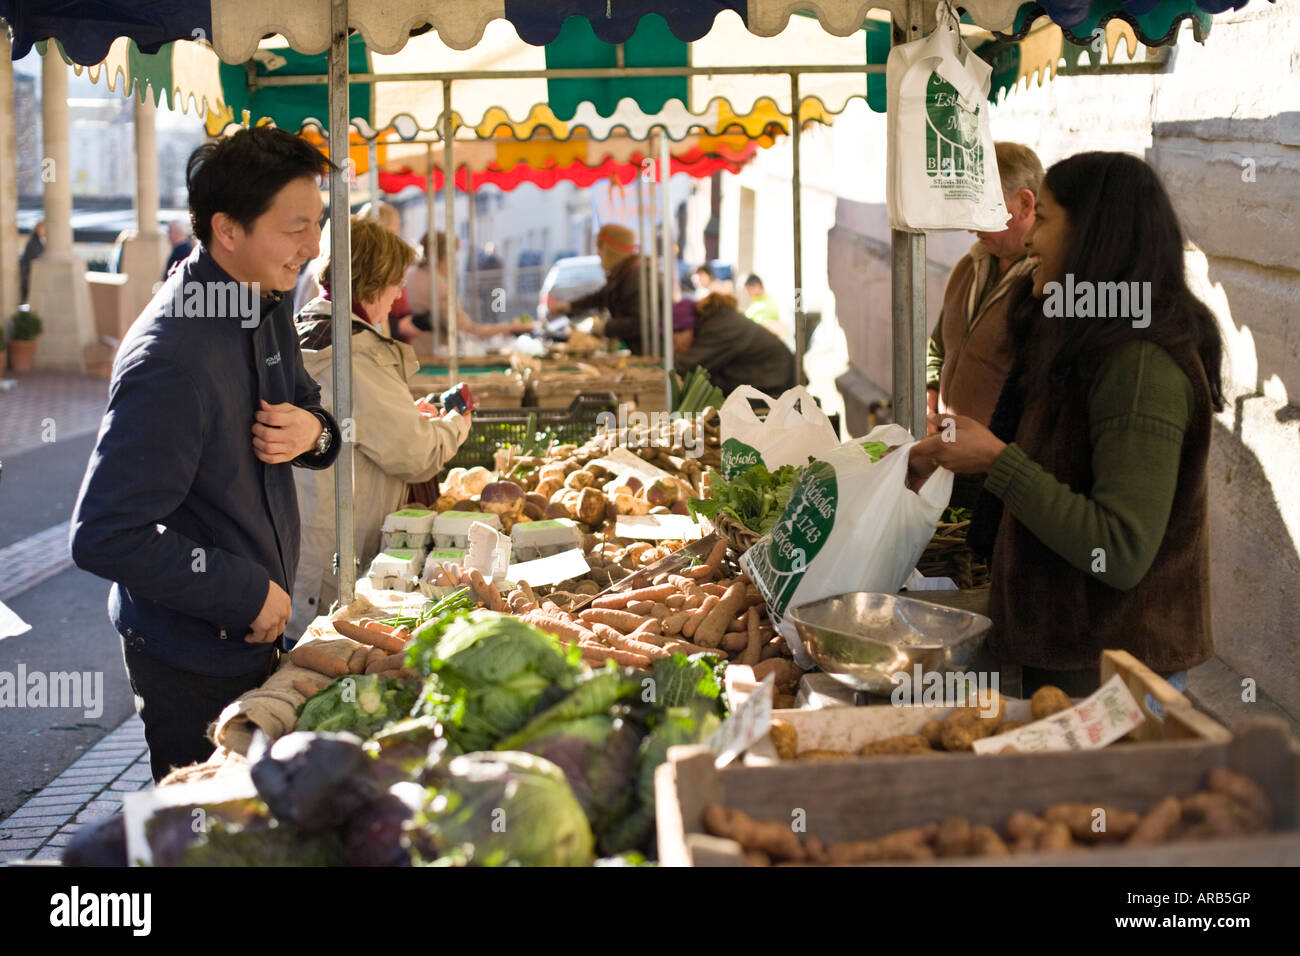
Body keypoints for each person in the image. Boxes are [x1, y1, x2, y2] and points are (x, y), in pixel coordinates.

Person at [70, 126, 340, 782]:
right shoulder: (170, 357)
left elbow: (314, 413)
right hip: (189, 662)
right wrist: (246, 593)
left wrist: (314, 431)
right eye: (296, 227)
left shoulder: (265, 300)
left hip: (260, 639)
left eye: (319, 223)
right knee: (206, 837)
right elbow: (105, 535)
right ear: (227, 229)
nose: (313, 247)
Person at [908, 151, 1225, 698]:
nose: (1031, 240)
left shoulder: (1142, 364)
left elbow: (1120, 550)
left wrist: (996, 462)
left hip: (1118, 678)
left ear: (1093, 234)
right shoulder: (1089, 339)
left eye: (1047, 221)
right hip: (1067, 657)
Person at [288, 217, 472, 638]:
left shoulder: (306, 330)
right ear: (371, 282)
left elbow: (362, 428)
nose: (400, 293)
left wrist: (409, 414)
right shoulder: (354, 357)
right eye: (395, 281)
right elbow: (418, 455)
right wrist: (456, 421)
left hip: (308, 544)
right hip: (336, 558)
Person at [396, 230, 532, 345]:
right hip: (431, 352)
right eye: (453, 255)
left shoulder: (411, 273)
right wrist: (510, 327)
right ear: (443, 257)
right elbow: (467, 329)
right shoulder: (437, 285)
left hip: (413, 348)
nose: (456, 261)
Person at [548, 223, 648, 354]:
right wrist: (569, 306)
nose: (598, 254)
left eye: (601, 248)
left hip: (647, 349)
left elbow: (640, 322)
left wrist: (606, 328)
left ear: (613, 251)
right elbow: (600, 297)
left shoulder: (635, 276)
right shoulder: (623, 273)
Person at [674, 292, 795, 397]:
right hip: (773, 378)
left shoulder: (719, 325)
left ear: (685, 329)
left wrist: (665, 366)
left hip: (776, 383)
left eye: (674, 340)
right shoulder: (716, 319)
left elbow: (689, 366)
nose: (675, 347)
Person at [742, 274, 791, 343]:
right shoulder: (755, 303)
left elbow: (767, 325)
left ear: (757, 286)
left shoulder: (769, 303)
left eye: (748, 289)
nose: (748, 293)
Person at [19, 220, 45, 303]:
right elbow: (34, 259)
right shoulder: (34, 242)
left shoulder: (38, 241)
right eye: (43, 228)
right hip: (30, 275)